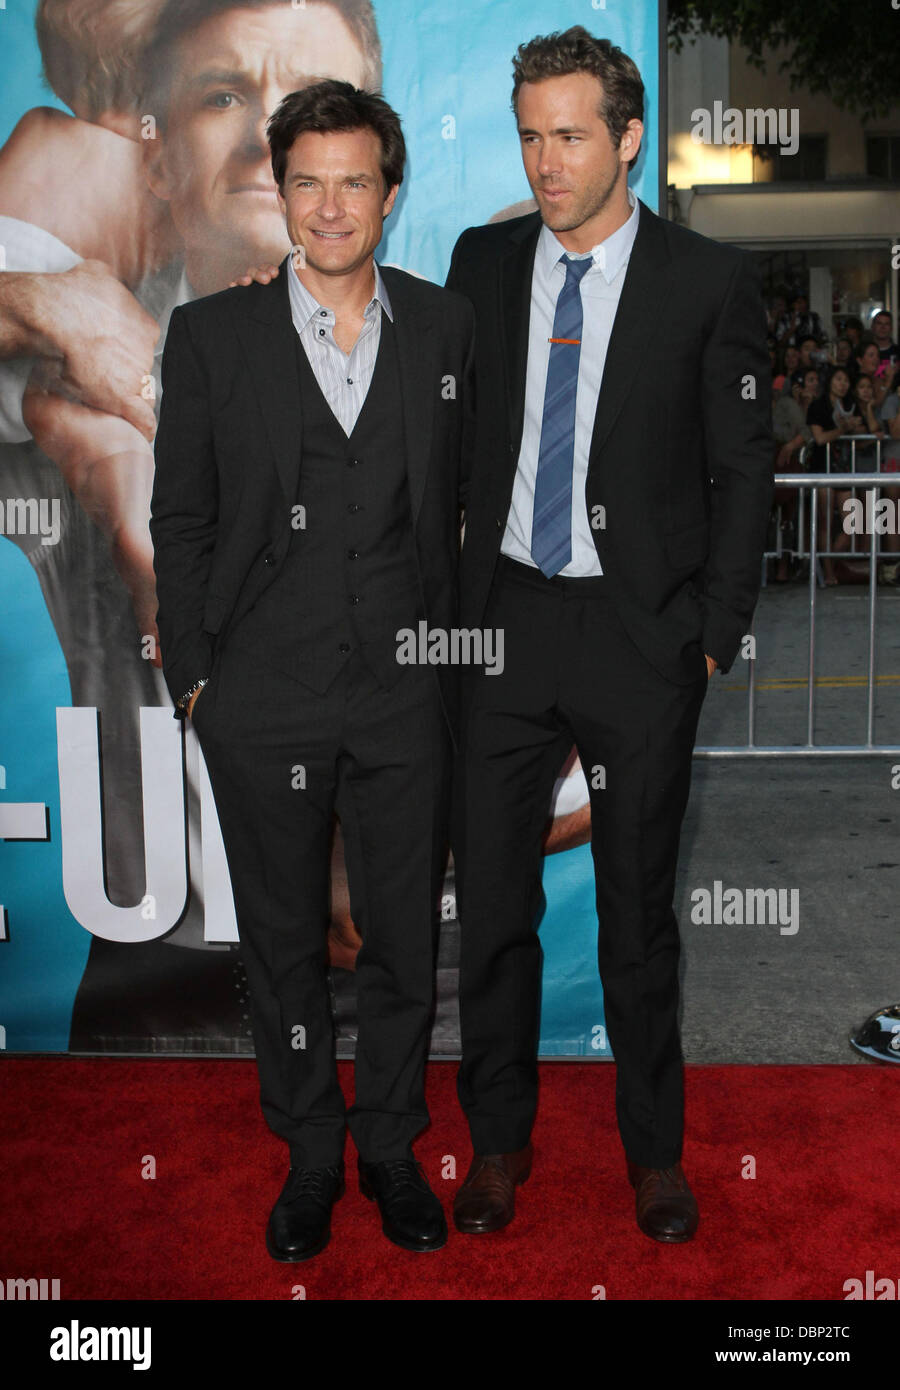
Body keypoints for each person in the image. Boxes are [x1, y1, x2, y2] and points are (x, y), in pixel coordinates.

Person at [444, 26, 773, 1244]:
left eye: (570, 135)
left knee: (637, 911)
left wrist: (712, 634)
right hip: (503, 625)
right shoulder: (481, 265)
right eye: (531, 134)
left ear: (629, 139)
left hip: (642, 636)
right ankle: (498, 1147)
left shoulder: (705, 282)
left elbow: (745, 470)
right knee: (492, 908)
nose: (545, 160)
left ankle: (654, 1156)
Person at [151, 78, 474, 1262]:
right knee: (280, 945)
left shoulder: (446, 328)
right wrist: (196, 678)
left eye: (354, 182)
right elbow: (179, 518)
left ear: (389, 195)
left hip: (405, 693)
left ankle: (389, 1145)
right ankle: (308, 1152)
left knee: (399, 937)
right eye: (308, 182)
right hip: (262, 698)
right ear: (278, 192)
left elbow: (472, 510)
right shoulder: (212, 334)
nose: (330, 207)